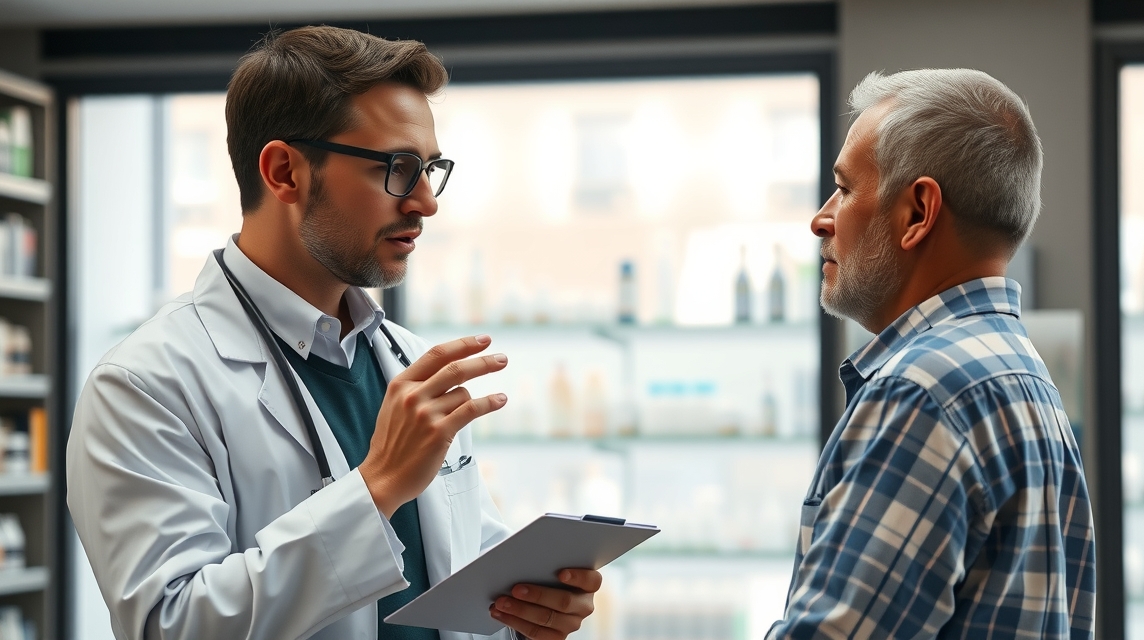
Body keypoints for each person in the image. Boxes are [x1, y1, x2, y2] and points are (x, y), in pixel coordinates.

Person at [66, 26, 600, 640]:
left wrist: (527, 615)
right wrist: (378, 487)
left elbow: (461, 582)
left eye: (430, 169)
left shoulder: (408, 360)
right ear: (284, 172)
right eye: (398, 168)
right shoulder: (146, 385)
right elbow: (172, 624)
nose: (426, 202)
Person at [768, 69, 1096, 638]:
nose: (821, 218)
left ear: (918, 212)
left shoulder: (921, 390)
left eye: (844, 189)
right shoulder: (1024, 376)